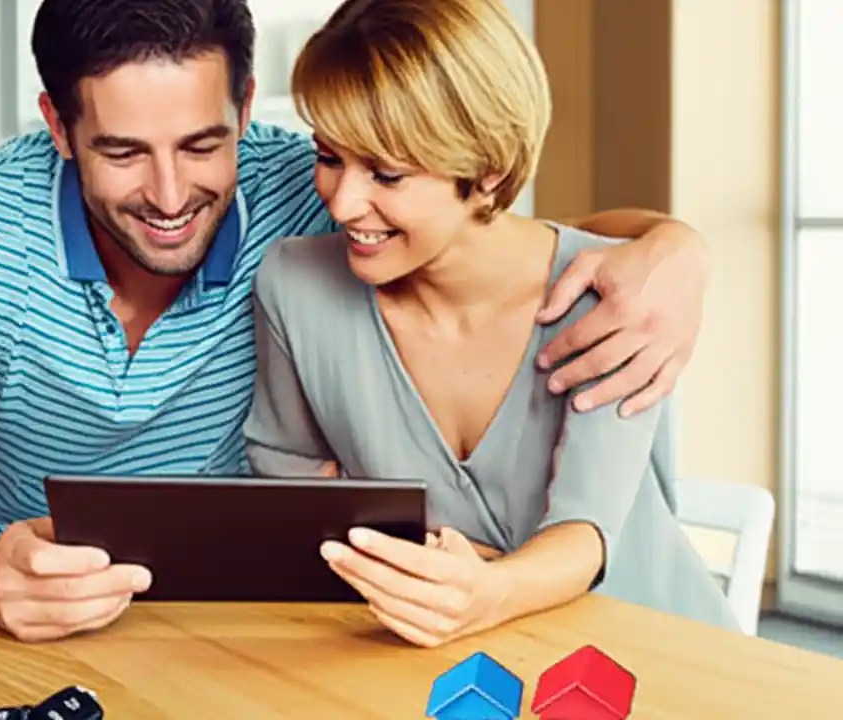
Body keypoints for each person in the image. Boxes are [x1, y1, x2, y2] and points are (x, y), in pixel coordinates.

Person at [0, 0, 714, 644]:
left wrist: (675, 248)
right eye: (122, 152)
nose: (170, 195)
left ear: (248, 108)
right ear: (57, 127)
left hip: (256, 626)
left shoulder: (315, 187)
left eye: (203, 143)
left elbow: (493, 225)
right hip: (18, 619)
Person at [242, 0, 739, 643]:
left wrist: (483, 585)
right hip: (453, 657)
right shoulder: (295, 285)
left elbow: (584, 532)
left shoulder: (608, 289)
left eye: (386, 174)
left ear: (486, 171)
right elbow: (288, 479)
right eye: (330, 157)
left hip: (656, 645)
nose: (342, 203)